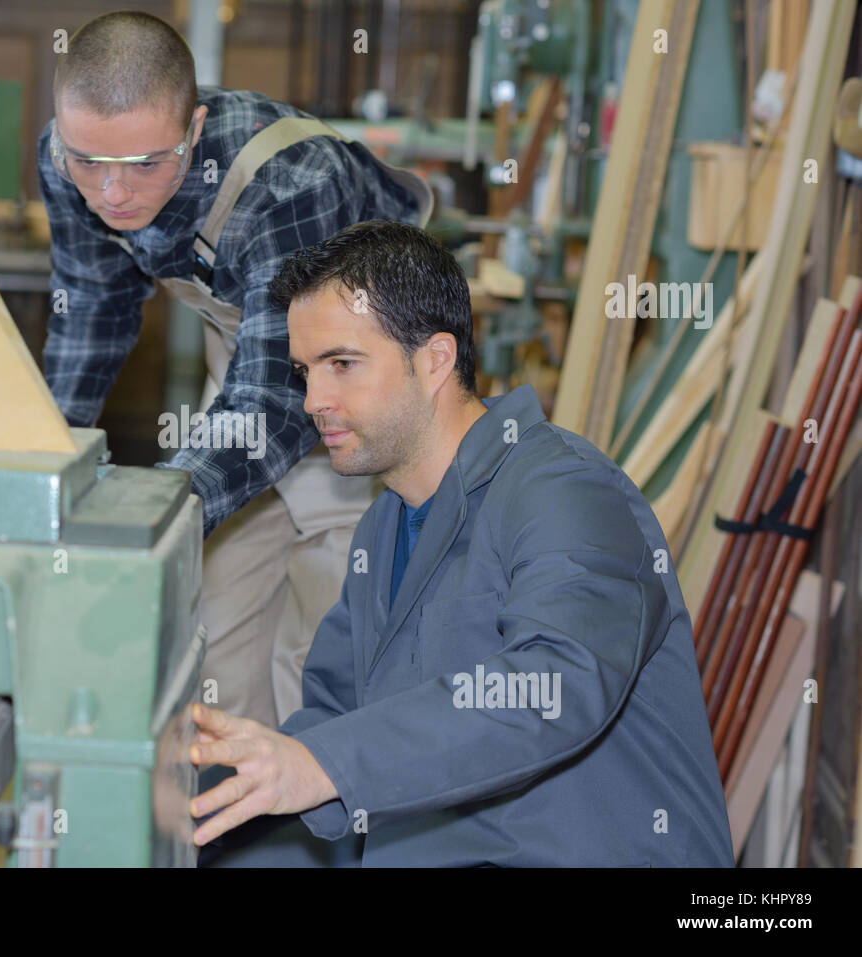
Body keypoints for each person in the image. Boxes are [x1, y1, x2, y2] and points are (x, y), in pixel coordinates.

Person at [189, 221, 735, 867]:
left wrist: (326, 763)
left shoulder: (563, 491)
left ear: (435, 359)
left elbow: (552, 685)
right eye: (305, 370)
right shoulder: (385, 526)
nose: (313, 399)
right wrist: (202, 785)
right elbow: (335, 716)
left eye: (342, 364)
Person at [37, 11, 432, 729]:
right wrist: (41, 460)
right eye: (88, 161)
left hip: (367, 376)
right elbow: (93, 304)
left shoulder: (289, 184)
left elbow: (278, 400)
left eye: (145, 165)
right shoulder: (69, 154)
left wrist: (158, 508)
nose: (112, 192)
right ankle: (229, 825)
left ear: (194, 129)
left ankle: (322, 827)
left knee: (324, 655)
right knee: (207, 638)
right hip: (257, 354)